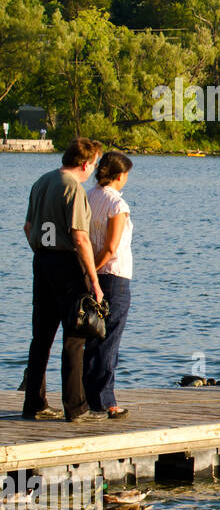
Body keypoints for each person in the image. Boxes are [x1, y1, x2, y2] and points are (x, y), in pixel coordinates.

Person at [23, 137, 104, 422]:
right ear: (86, 163)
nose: (94, 169)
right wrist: (94, 282)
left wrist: (41, 253)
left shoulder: (42, 182)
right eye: (94, 164)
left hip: (42, 260)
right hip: (67, 264)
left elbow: (28, 226)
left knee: (41, 337)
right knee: (75, 336)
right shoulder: (73, 189)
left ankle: (34, 402)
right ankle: (76, 407)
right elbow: (80, 238)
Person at [83, 151, 134, 418]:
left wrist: (89, 272)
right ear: (120, 175)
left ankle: (87, 395)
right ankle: (105, 400)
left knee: (92, 338)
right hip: (113, 275)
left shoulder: (88, 197)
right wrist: (98, 269)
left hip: (91, 273)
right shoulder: (117, 204)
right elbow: (112, 247)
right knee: (109, 339)